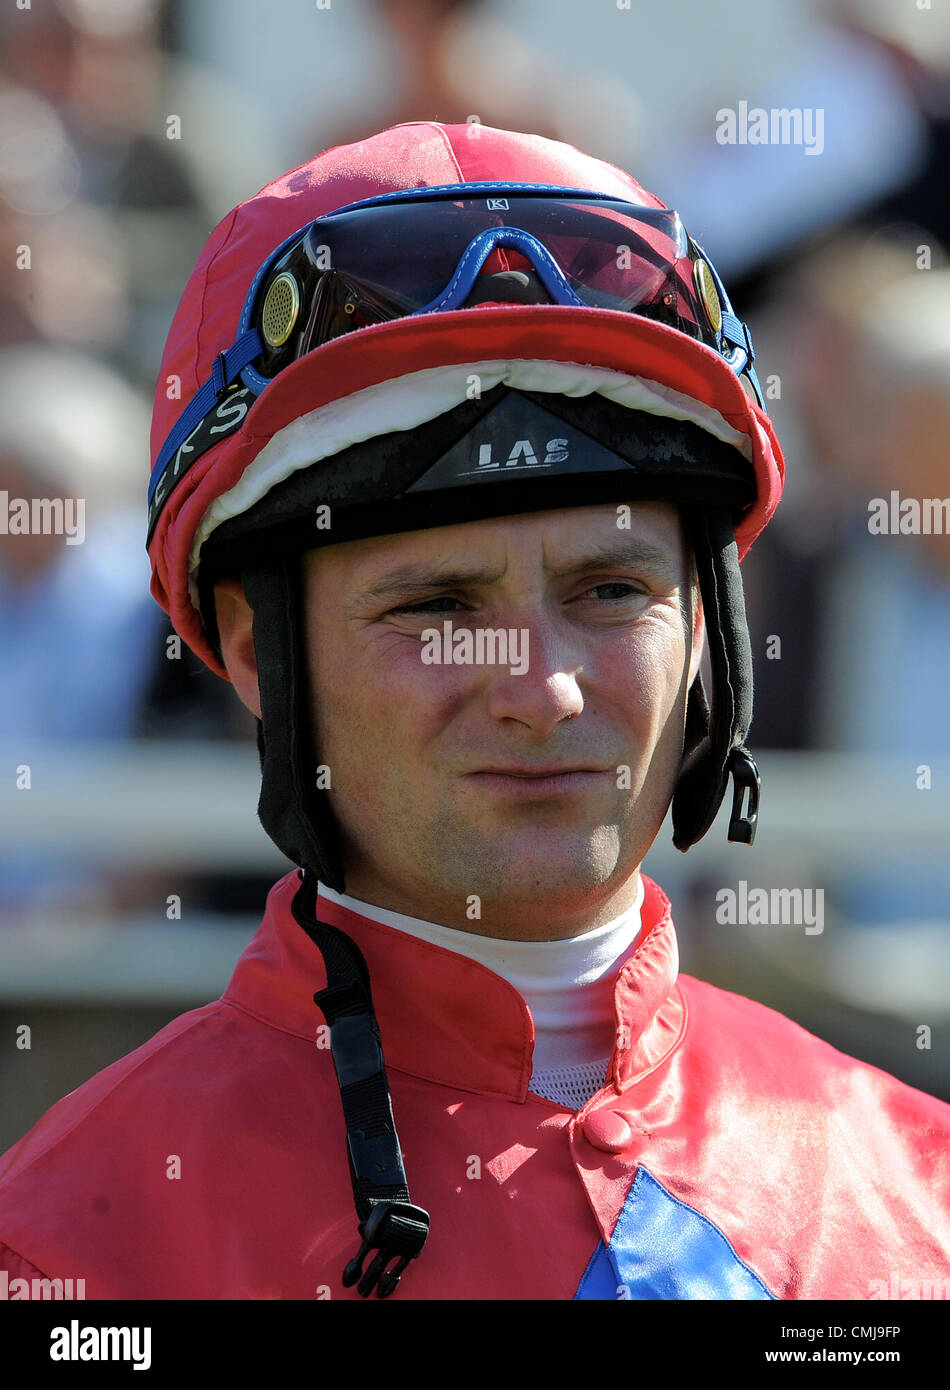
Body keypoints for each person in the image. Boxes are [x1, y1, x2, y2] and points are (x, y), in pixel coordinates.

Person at [0, 122, 947, 1302]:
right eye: (439, 606)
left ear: (706, 623)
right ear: (254, 653)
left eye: (609, 591)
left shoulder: (917, 1186)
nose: (544, 690)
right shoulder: (67, 1255)